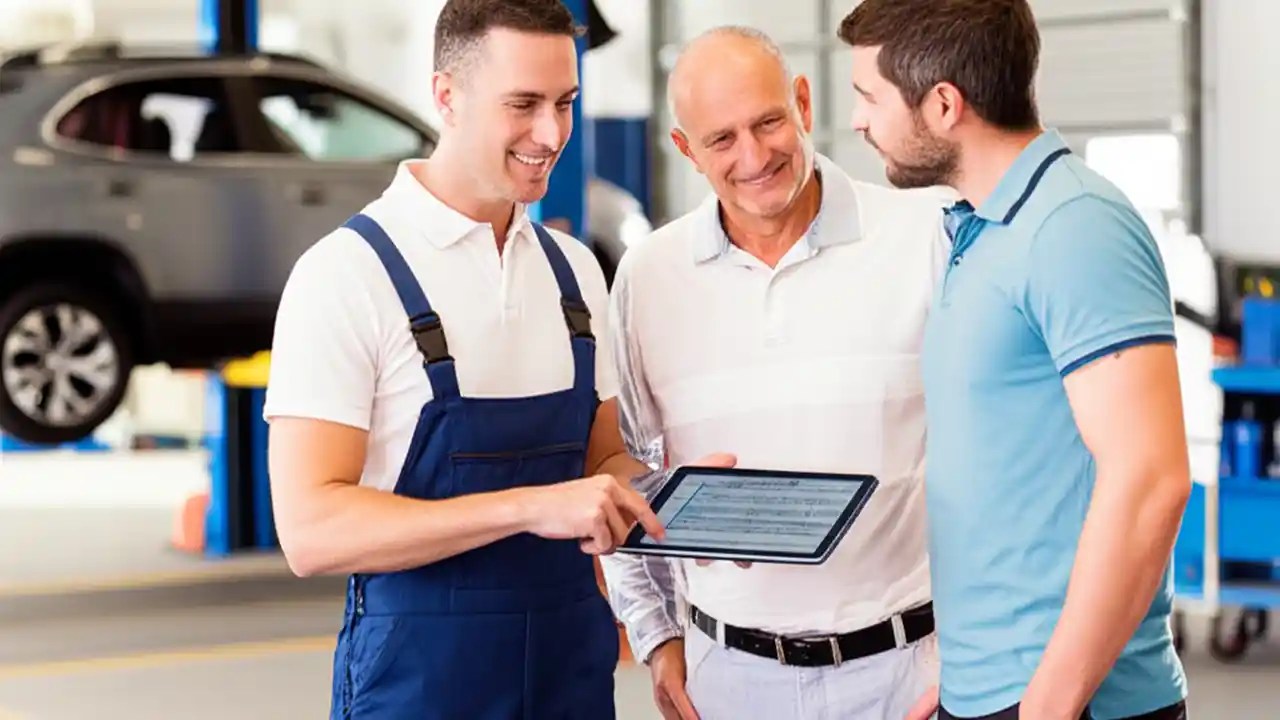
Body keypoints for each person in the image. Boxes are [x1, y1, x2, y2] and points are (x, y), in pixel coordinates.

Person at [262, 1, 667, 717]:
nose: (552, 133)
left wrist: (688, 498)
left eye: (565, 104)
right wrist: (528, 508)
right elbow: (311, 531)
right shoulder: (346, 275)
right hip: (418, 685)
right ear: (446, 95)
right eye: (524, 105)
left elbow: (602, 464)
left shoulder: (575, 272)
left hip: (568, 677)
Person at [838, 2, 1192, 719]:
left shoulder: (1073, 226)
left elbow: (1152, 479)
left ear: (943, 104)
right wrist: (969, 677)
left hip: (1076, 701)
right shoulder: (984, 231)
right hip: (996, 690)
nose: (859, 122)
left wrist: (1048, 702)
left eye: (869, 98)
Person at [599, 25, 953, 720]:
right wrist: (657, 636)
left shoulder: (923, 239)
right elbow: (621, 474)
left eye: (768, 122)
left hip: (906, 672)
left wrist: (973, 656)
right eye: (722, 140)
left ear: (802, 103)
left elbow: (1001, 462)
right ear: (685, 151)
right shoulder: (648, 278)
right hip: (727, 682)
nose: (755, 156)